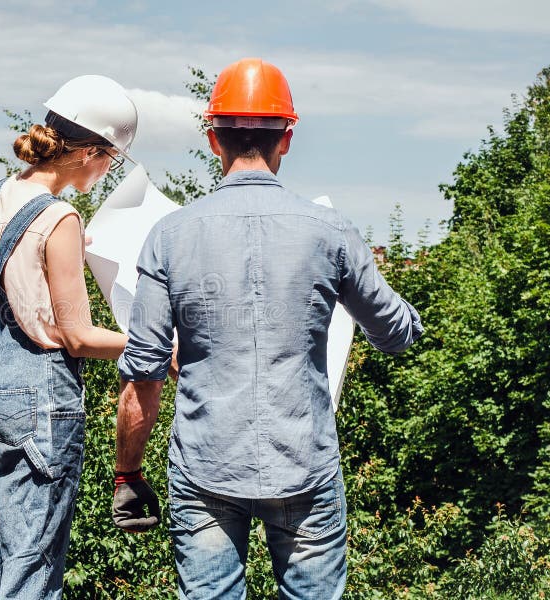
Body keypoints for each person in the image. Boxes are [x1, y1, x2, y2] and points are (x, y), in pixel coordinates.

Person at [111, 58, 424, 599]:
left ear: (214, 140)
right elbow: (395, 332)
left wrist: (127, 475)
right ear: (288, 137)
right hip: (305, 463)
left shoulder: (169, 236)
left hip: (206, 466)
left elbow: (144, 373)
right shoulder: (331, 231)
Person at [0, 75, 137, 599]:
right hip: (39, 401)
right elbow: (77, 337)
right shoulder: (60, 216)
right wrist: (151, 344)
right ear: (90, 152)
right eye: (112, 160)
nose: (108, 172)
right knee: (31, 568)